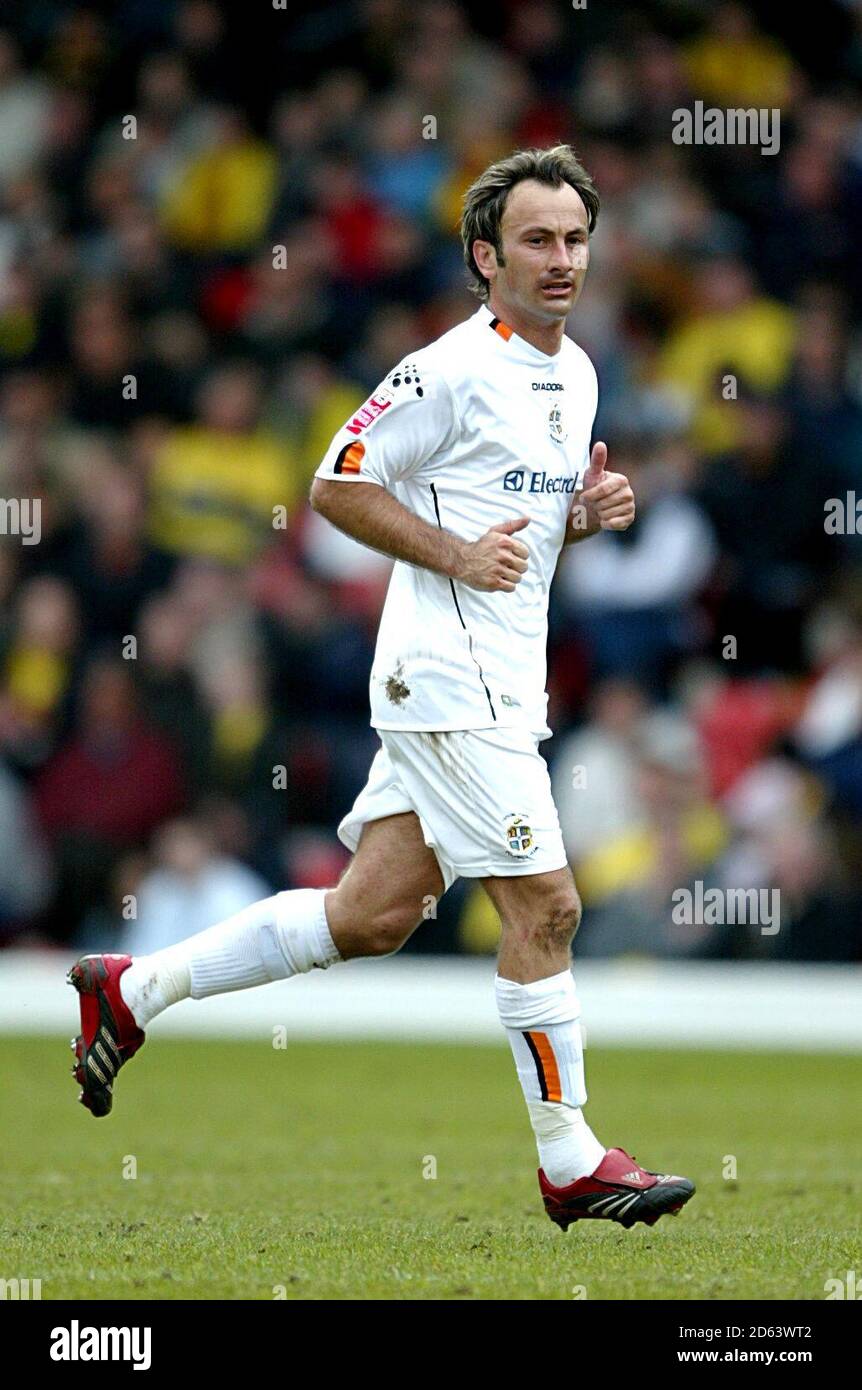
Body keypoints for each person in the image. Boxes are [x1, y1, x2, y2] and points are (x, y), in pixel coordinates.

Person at [68, 145, 694, 1232]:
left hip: (495, 677)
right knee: (548, 906)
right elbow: (334, 482)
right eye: (536, 240)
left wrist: (581, 517)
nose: (560, 259)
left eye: (575, 239)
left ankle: (133, 990)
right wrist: (455, 557)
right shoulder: (447, 367)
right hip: (451, 680)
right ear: (483, 257)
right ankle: (571, 1160)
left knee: (375, 912)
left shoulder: (580, 370)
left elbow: (517, 522)